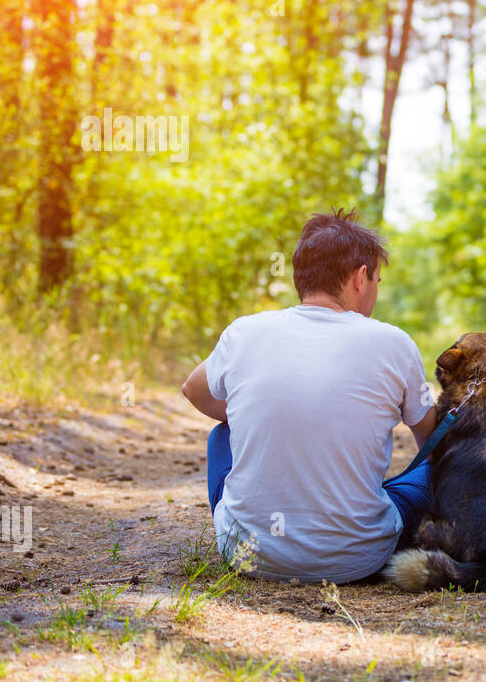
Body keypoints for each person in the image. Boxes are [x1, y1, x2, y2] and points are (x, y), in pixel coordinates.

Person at [180, 208, 438, 583]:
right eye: (378, 280)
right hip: (360, 560)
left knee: (223, 433)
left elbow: (193, 389)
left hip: (246, 554)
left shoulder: (246, 332)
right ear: (361, 278)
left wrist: (253, 411)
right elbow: (432, 443)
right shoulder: (393, 342)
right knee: (444, 462)